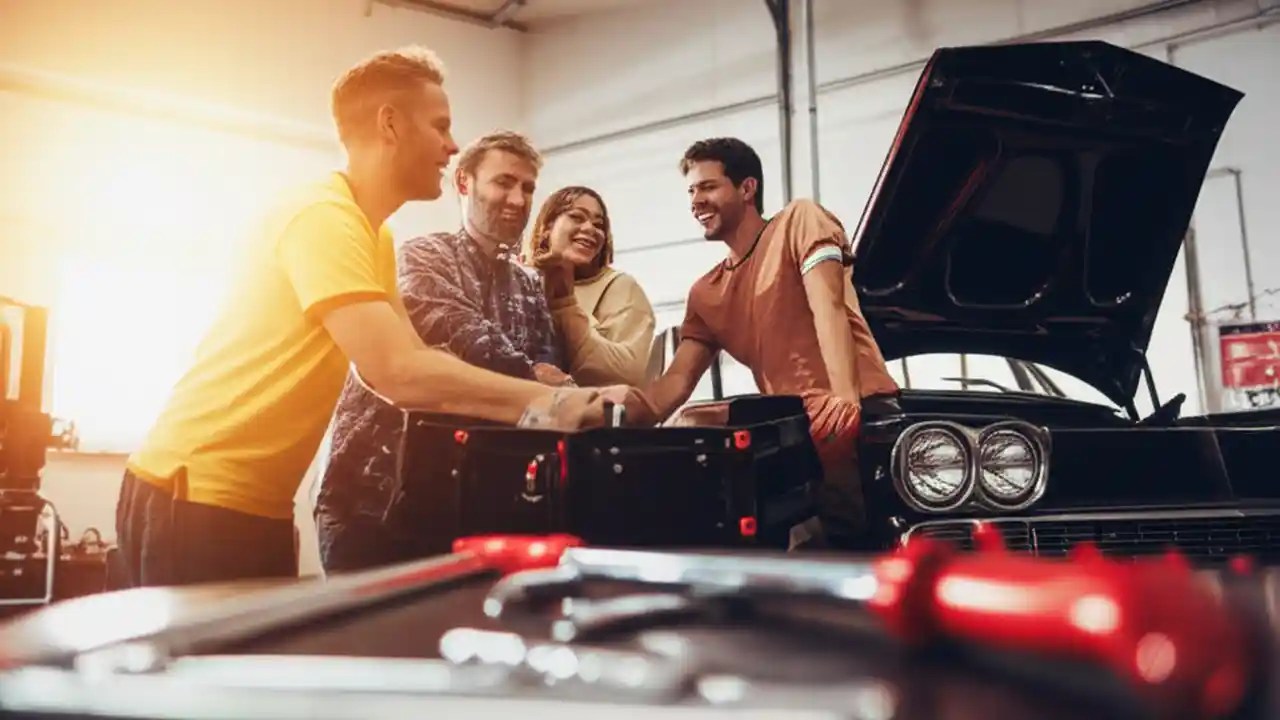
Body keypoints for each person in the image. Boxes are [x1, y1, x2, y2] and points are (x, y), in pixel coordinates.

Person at [115, 46, 618, 589]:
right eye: (441, 127)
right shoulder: (324, 216)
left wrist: (547, 402)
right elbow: (395, 371)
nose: (451, 146)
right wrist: (551, 403)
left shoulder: (373, 232)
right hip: (192, 491)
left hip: (256, 501)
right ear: (390, 124)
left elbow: (414, 367)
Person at [315, 130, 570, 573]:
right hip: (371, 502)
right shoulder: (419, 255)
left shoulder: (530, 287)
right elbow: (458, 335)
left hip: (465, 509)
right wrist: (547, 384)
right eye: (503, 182)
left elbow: (552, 371)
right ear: (464, 183)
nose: (518, 198)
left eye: (527, 188)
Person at [624, 137, 899, 547]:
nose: (696, 201)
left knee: (884, 552)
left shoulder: (799, 221)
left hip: (862, 415)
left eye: (708, 186)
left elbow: (829, 306)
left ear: (747, 188)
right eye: (691, 191)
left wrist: (844, 399)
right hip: (794, 437)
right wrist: (612, 419)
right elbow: (675, 385)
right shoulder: (707, 292)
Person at [527, 186, 656, 387]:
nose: (590, 229)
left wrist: (565, 305)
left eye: (599, 224)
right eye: (577, 217)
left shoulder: (619, 286)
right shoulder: (520, 283)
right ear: (546, 228)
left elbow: (626, 375)